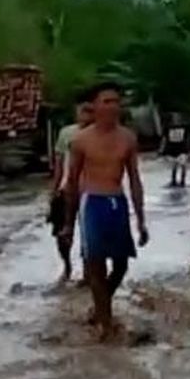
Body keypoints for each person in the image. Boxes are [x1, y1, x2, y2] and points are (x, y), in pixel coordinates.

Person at [64, 81, 149, 340]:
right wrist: (68, 223)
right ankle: (105, 322)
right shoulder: (81, 140)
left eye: (116, 101)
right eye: (107, 101)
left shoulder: (127, 138)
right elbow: (71, 182)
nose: (113, 106)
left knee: (121, 265)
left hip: (117, 201)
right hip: (92, 202)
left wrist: (141, 220)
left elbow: (134, 179)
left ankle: (101, 307)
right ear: (94, 106)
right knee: (96, 265)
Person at [49, 100, 93, 282]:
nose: (85, 115)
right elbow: (59, 164)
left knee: (89, 234)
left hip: (90, 191)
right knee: (61, 232)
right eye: (82, 110)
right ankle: (67, 265)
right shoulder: (66, 133)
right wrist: (54, 189)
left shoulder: (100, 135)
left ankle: (86, 272)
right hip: (66, 189)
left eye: (89, 111)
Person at [159, 115, 190, 187]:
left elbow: (187, 138)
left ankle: (182, 181)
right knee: (174, 166)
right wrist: (162, 149)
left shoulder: (184, 127)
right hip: (172, 150)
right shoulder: (168, 128)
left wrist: (189, 150)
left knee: (183, 165)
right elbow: (164, 139)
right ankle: (174, 180)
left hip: (182, 149)